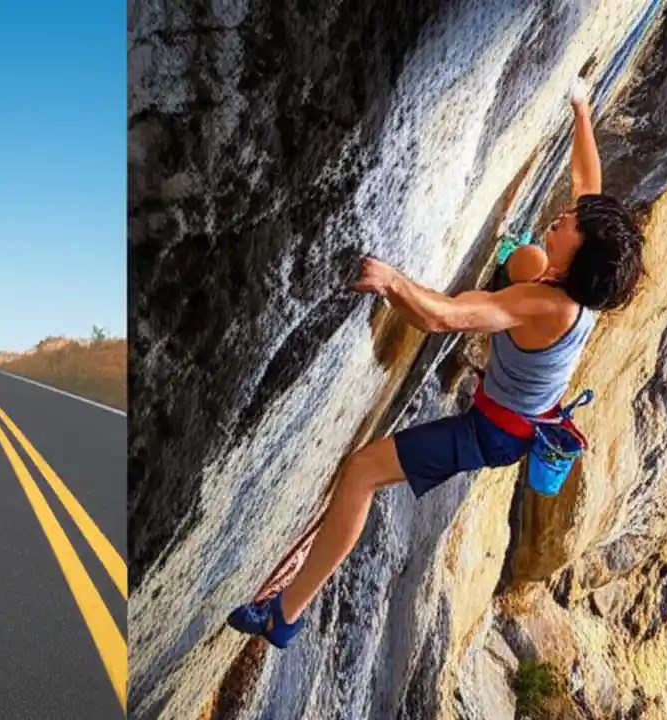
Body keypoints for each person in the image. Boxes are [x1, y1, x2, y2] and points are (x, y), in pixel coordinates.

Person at [227, 79, 645, 649]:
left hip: (493, 432)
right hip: (523, 408)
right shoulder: (579, 282)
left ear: (579, 257)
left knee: (361, 473)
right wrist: (580, 109)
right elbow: (586, 181)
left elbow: (444, 319)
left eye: (572, 224)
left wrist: (392, 282)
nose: (564, 217)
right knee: (527, 255)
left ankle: (285, 617)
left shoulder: (545, 303)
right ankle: (508, 261)